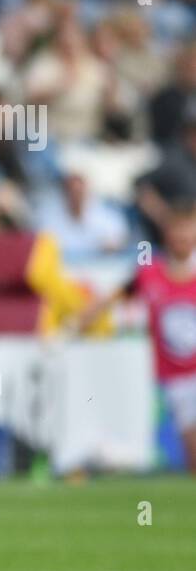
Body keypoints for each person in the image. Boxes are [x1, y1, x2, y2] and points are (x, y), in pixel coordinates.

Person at [80, 203, 196, 474]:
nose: (182, 238)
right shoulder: (150, 273)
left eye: (187, 232)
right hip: (176, 379)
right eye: (177, 232)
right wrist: (82, 320)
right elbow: (114, 297)